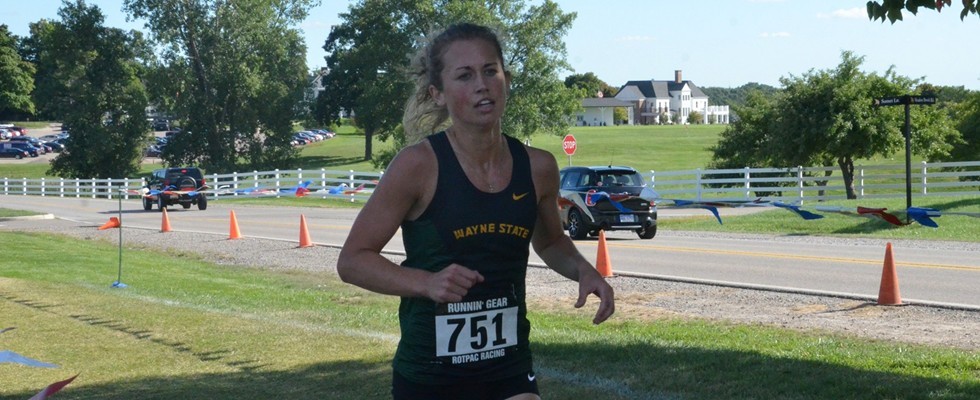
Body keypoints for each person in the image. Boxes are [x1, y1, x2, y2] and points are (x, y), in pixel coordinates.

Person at [337, 22, 615, 400]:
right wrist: (426, 283)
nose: (481, 85)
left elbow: (551, 242)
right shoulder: (418, 165)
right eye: (464, 75)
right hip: (430, 374)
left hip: (508, 365)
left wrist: (584, 270)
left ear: (506, 80)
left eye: (490, 71)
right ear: (438, 93)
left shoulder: (538, 167)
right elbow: (353, 260)